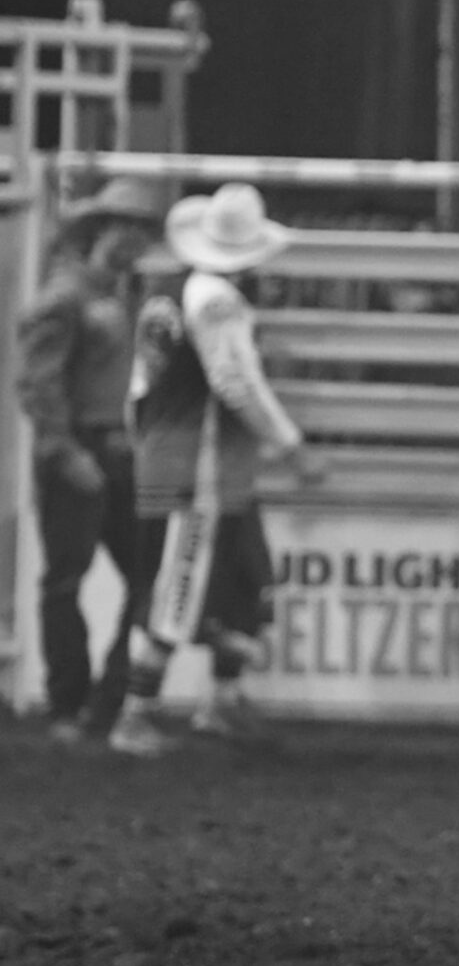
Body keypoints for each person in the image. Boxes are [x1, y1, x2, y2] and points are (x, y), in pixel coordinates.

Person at [109, 184, 327, 756]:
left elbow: (138, 390)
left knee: (239, 579)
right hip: (200, 471)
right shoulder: (217, 303)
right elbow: (235, 383)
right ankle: (138, 714)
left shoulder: (167, 296)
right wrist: (291, 444)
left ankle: (219, 701)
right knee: (180, 586)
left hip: (182, 464)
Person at [16, 175, 166, 741]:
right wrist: (61, 448)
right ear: (103, 229)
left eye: (140, 230)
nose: (134, 239)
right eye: (127, 227)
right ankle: (70, 704)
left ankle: (98, 703)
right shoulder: (66, 298)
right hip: (83, 445)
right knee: (67, 580)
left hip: (120, 449)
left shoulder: (123, 296)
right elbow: (37, 382)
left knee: (141, 576)